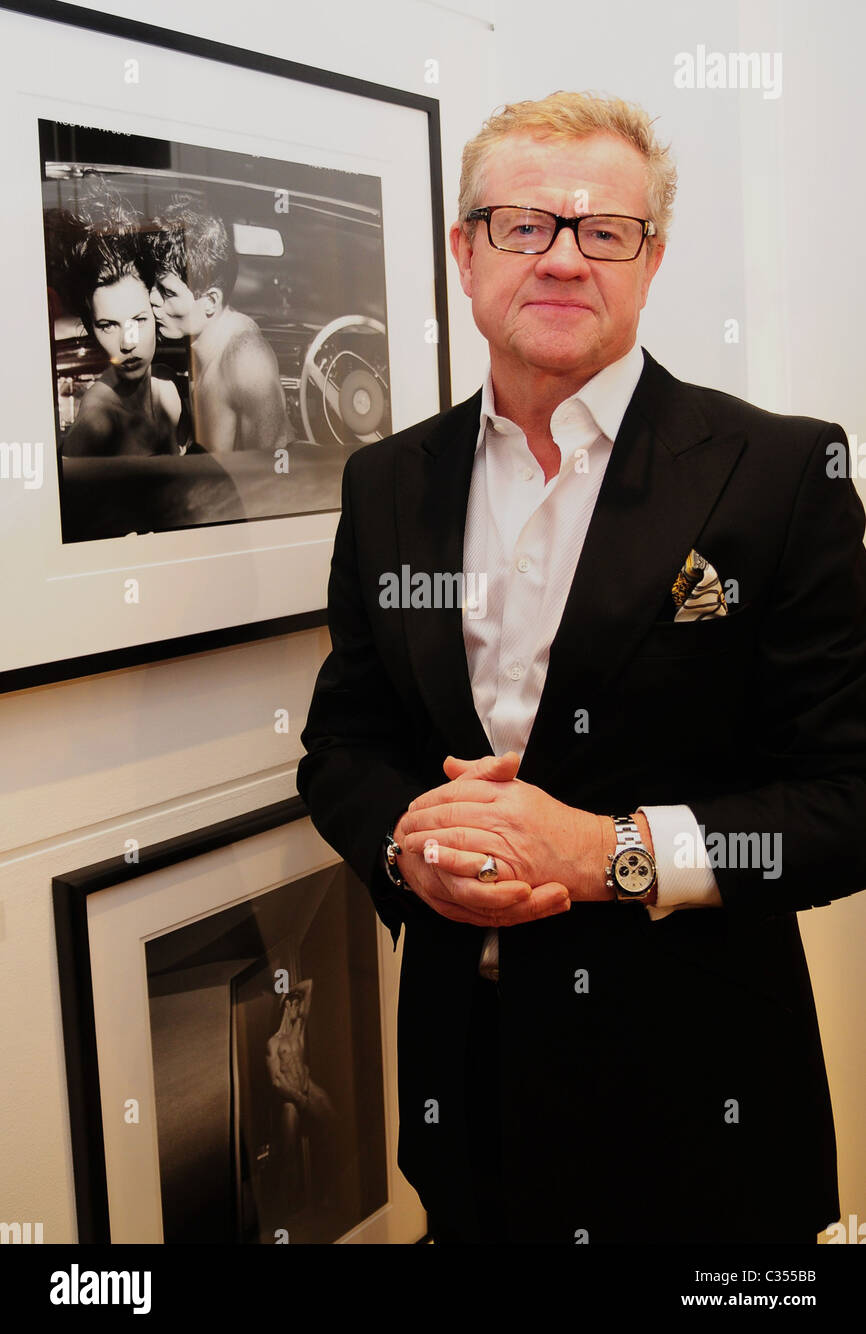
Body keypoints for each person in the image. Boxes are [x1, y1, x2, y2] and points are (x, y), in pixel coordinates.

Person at [297, 91, 866, 1245]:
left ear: (649, 260)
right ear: (464, 251)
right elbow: (344, 745)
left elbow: (847, 799)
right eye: (521, 225)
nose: (561, 258)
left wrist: (612, 852)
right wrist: (409, 853)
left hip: (702, 1100)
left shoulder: (776, 471)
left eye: (602, 230)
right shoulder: (387, 482)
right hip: (465, 1081)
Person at [148, 194, 293, 453]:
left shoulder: (245, 358)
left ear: (211, 301)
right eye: (154, 286)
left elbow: (272, 474)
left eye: (167, 293)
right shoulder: (202, 345)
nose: (152, 299)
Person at [56, 187, 185, 457]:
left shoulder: (168, 385)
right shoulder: (97, 423)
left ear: (155, 308)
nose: (128, 342)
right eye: (108, 325)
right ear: (90, 327)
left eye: (138, 319)